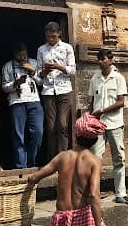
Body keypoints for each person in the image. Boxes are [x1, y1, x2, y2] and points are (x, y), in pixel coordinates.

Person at [27, 114, 106, 226]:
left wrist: (29, 181)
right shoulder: (94, 162)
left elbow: (35, 177)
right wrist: (98, 224)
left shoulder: (62, 157)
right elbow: (94, 195)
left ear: (76, 136)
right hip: (83, 216)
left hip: (61, 218)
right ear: (95, 139)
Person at [88, 48, 128, 206]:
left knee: (119, 159)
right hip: (98, 125)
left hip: (115, 123)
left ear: (110, 60)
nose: (100, 62)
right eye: (99, 59)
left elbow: (121, 102)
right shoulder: (95, 79)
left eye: (103, 59)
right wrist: (87, 116)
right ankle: (94, 193)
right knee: (95, 158)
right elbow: (92, 103)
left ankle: (121, 193)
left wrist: (102, 111)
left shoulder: (118, 78)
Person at [37, 22, 77, 157]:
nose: (51, 39)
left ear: (59, 34)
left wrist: (58, 67)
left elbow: (72, 70)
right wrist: (45, 72)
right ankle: (52, 160)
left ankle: (62, 158)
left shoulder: (67, 48)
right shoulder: (41, 50)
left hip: (64, 89)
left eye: (53, 36)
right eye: (48, 37)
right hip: (48, 90)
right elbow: (38, 75)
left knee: (63, 125)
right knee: (50, 126)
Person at [2, 42, 44, 168]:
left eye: (24, 54)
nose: (22, 57)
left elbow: (42, 82)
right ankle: (21, 165)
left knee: (38, 132)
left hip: (34, 101)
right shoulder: (8, 66)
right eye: (19, 55)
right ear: (14, 54)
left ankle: (32, 162)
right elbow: (4, 87)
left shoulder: (34, 63)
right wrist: (16, 83)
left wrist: (32, 70)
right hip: (16, 102)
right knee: (18, 135)